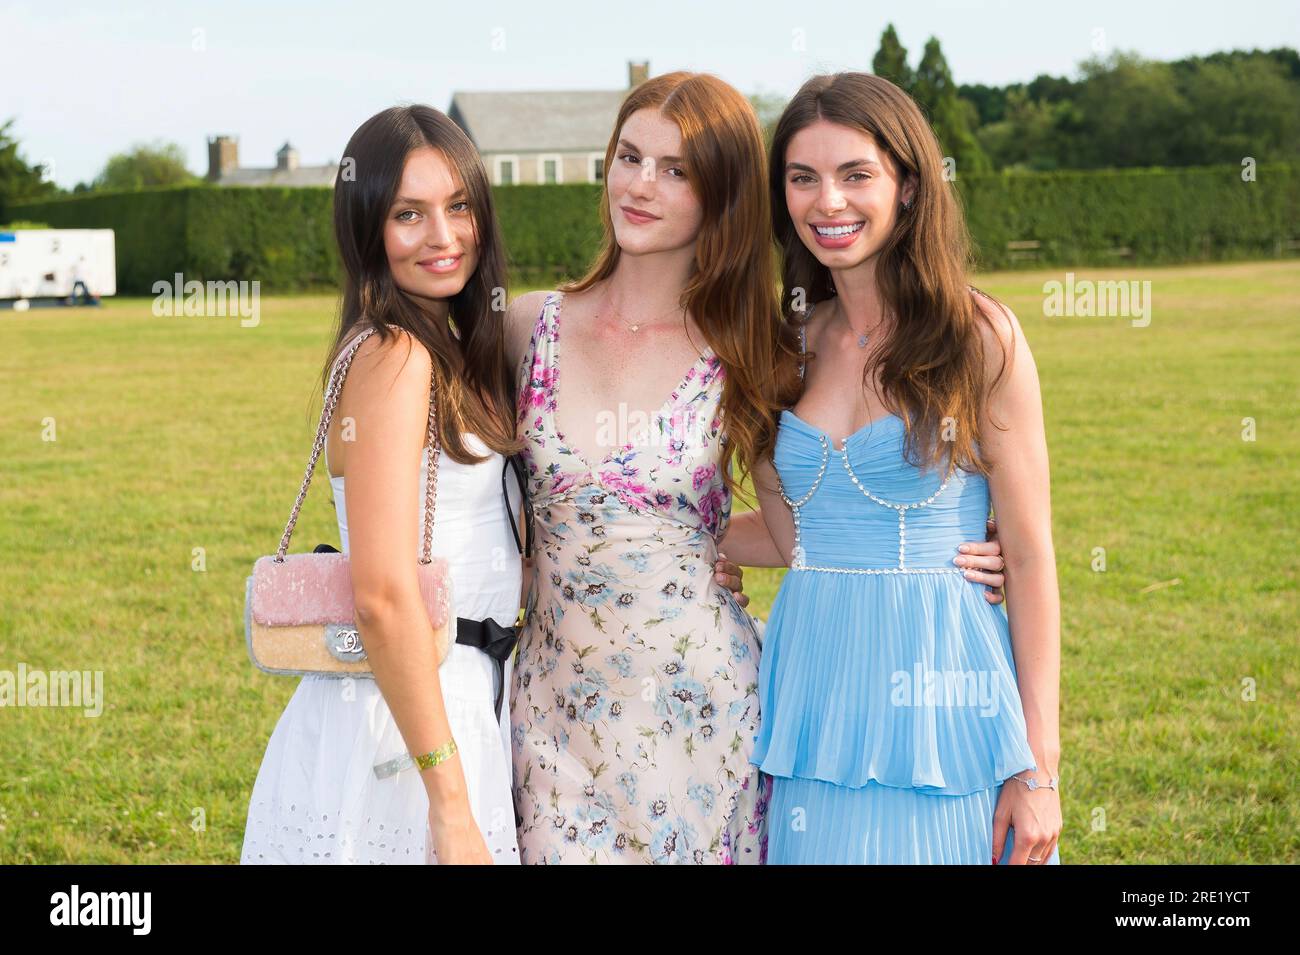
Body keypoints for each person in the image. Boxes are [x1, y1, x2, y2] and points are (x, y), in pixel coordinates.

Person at [502, 72, 1007, 864]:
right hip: (555, 708)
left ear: (724, 196)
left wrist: (968, 537)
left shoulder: (754, 351)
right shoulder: (528, 328)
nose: (641, 185)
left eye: (676, 170)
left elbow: (807, 524)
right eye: (629, 157)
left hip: (705, 712)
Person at [749, 72, 1063, 865]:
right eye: (803, 177)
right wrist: (675, 544)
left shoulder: (979, 335)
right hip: (817, 692)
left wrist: (1040, 767)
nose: (829, 202)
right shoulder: (784, 343)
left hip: (943, 693)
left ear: (909, 186)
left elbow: (1027, 558)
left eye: (856, 174)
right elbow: (799, 536)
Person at [240, 105, 526, 864]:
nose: (444, 236)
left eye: (458, 206)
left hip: (445, 706)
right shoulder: (396, 355)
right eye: (409, 214)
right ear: (367, 228)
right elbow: (381, 593)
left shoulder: (453, 347)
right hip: (401, 728)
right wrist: (450, 801)